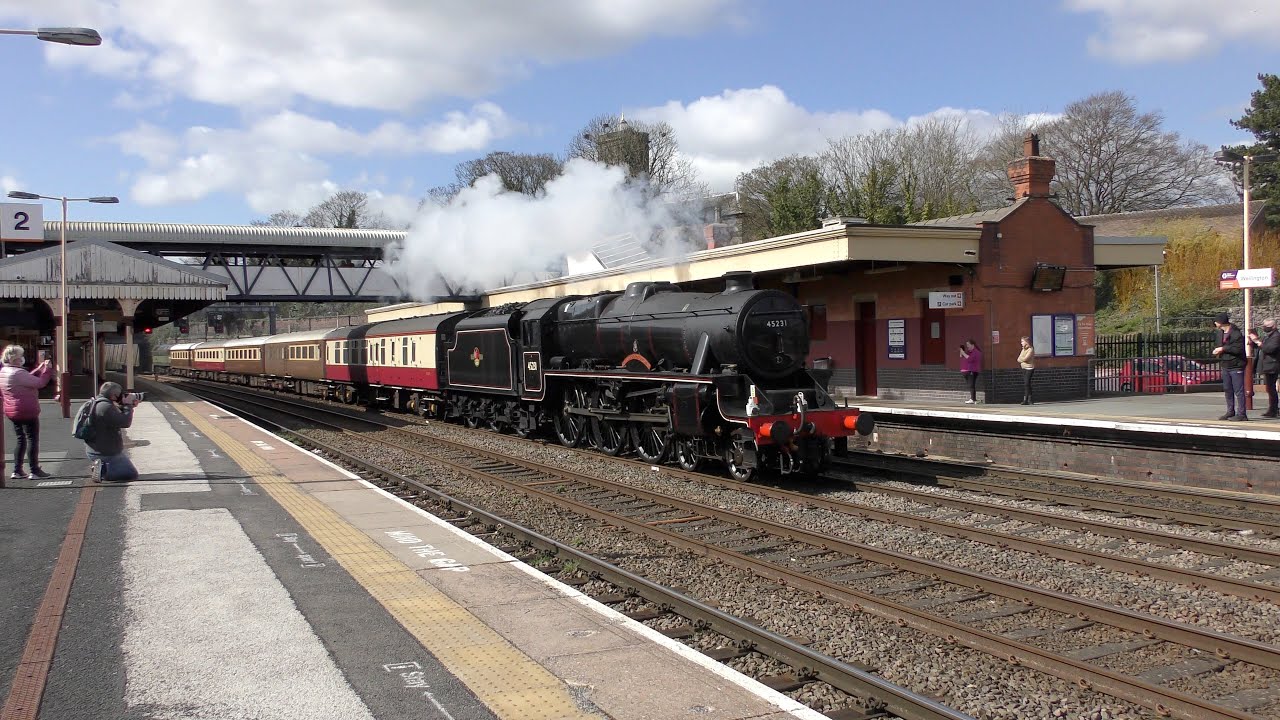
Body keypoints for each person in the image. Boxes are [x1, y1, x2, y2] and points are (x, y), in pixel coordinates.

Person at [1, 345, 55, 480]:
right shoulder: (18, 373)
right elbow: (40, 383)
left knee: (20, 439)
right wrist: (47, 370)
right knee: (32, 439)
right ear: (14, 358)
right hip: (27, 409)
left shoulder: (4, 371)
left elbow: (26, 379)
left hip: (12, 410)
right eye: (21, 356)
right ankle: (34, 470)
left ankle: (17, 470)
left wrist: (39, 369)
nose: (22, 359)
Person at [81, 381, 140, 482]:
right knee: (130, 474)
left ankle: (102, 466)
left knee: (125, 467)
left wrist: (125, 407)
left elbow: (114, 418)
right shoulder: (106, 407)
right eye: (120, 395)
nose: (121, 397)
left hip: (95, 449)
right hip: (105, 452)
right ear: (113, 396)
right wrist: (128, 406)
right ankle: (102, 470)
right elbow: (125, 422)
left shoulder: (97, 403)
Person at [1212, 313, 1247, 421]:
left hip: (1236, 365)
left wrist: (1223, 349)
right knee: (1227, 389)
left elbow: (1238, 349)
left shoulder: (1236, 333)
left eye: (1216, 321)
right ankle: (1230, 411)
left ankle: (1242, 413)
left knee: (1239, 390)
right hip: (1225, 364)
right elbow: (1218, 345)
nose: (1215, 323)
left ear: (1221, 322)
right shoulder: (1220, 333)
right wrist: (1218, 350)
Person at [1251, 319, 1279, 418]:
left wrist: (1258, 342)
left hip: (1272, 365)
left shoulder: (1276, 336)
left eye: (1267, 326)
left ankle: (1273, 410)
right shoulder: (1267, 336)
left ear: (1273, 326)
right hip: (1267, 364)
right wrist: (1255, 341)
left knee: (1271, 388)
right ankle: (1273, 409)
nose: (1265, 327)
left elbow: (1270, 349)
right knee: (1269, 388)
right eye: (1264, 325)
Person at [959, 339, 982, 404]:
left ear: (973, 345)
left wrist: (963, 353)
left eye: (968, 345)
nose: (967, 346)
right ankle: (973, 399)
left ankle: (972, 399)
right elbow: (962, 357)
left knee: (971, 385)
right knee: (971, 385)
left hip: (972, 370)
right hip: (968, 371)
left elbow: (970, 359)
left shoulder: (976, 352)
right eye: (966, 345)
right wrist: (962, 352)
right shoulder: (969, 352)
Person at [1017, 336, 1035, 405]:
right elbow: (1018, 359)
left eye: (1022, 341)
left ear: (1026, 342)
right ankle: (1027, 400)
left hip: (1029, 368)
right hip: (1023, 368)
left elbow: (1025, 359)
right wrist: (1022, 359)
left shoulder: (1031, 349)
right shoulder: (1023, 349)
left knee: (1027, 383)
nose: (1021, 343)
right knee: (1026, 384)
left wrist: (1022, 359)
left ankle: (1028, 399)